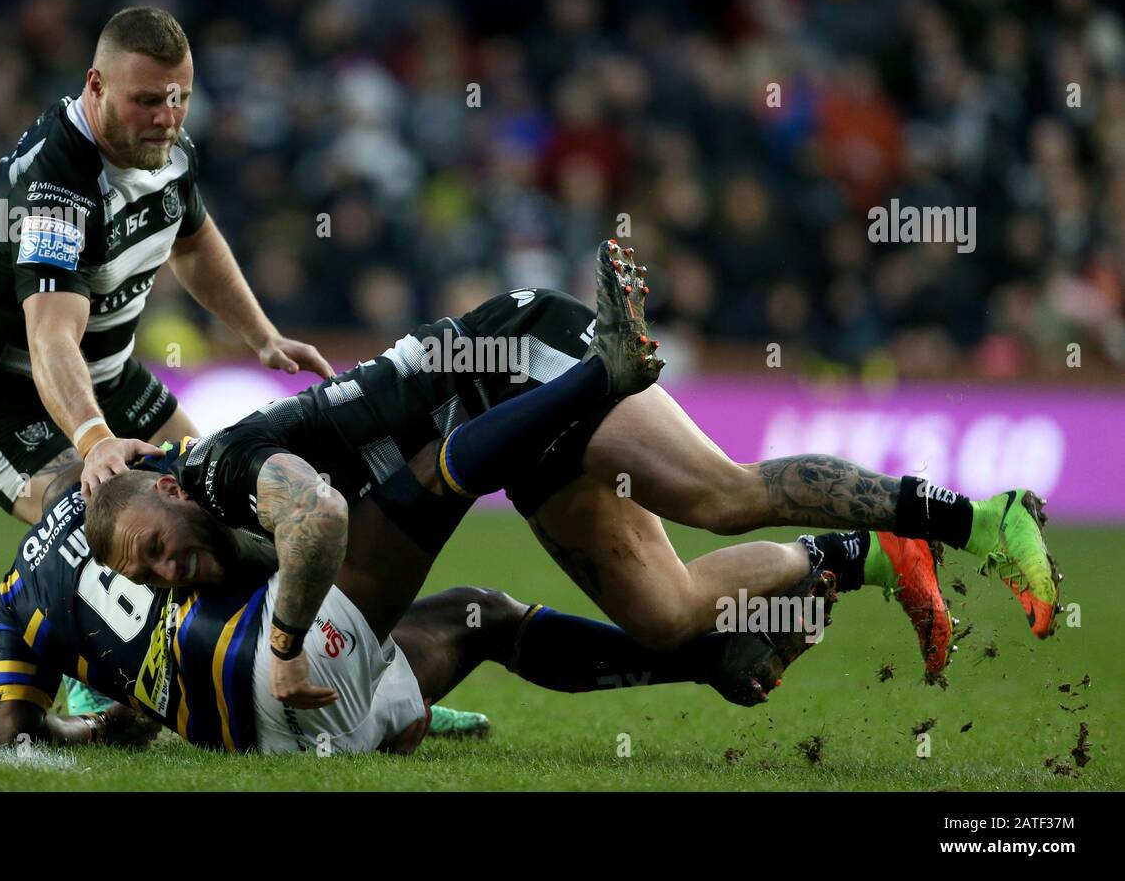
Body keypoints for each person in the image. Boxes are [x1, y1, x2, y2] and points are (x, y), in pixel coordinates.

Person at [87, 241, 978, 704]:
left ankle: (944, 516)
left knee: (722, 495)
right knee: (667, 616)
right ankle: (854, 555)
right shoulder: (203, 537)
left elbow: (316, 517)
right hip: (496, 446)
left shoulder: (223, 472)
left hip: (514, 362)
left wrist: (282, 657)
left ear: (168, 491)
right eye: (150, 575)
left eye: (155, 551)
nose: (170, 572)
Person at [0, 5, 332, 713]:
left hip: (111, 377)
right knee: (109, 528)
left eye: (179, 98)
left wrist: (261, 334)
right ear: (96, 86)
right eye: (147, 100)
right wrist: (92, 444)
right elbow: (50, 336)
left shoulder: (168, 147)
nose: (167, 117)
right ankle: (102, 684)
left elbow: (193, 240)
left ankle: (346, 669)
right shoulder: (55, 186)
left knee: (228, 508)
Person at [0, 467, 843, 754]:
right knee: (464, 565)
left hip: (262, 715)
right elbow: (279, 520)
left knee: (476, 616)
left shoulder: (18, 598)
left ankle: (712, 661)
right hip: (287, 665)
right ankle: (517, 393)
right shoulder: (162, 484)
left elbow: (8, 733)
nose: (162, 568)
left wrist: (106, 723)